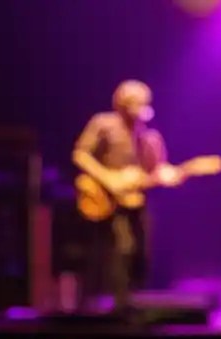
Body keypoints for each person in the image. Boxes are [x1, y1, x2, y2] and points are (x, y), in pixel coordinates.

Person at [73, 80, 182, 313]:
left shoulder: (147, 137)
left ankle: (133, 299)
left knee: (141, 249)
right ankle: (117, 304)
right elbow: (80, 154)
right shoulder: (103, 124)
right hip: (106, 197)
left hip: (134, 200)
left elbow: (156, 169)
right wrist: (107, 179)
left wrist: (167, 173)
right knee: (121, 246)